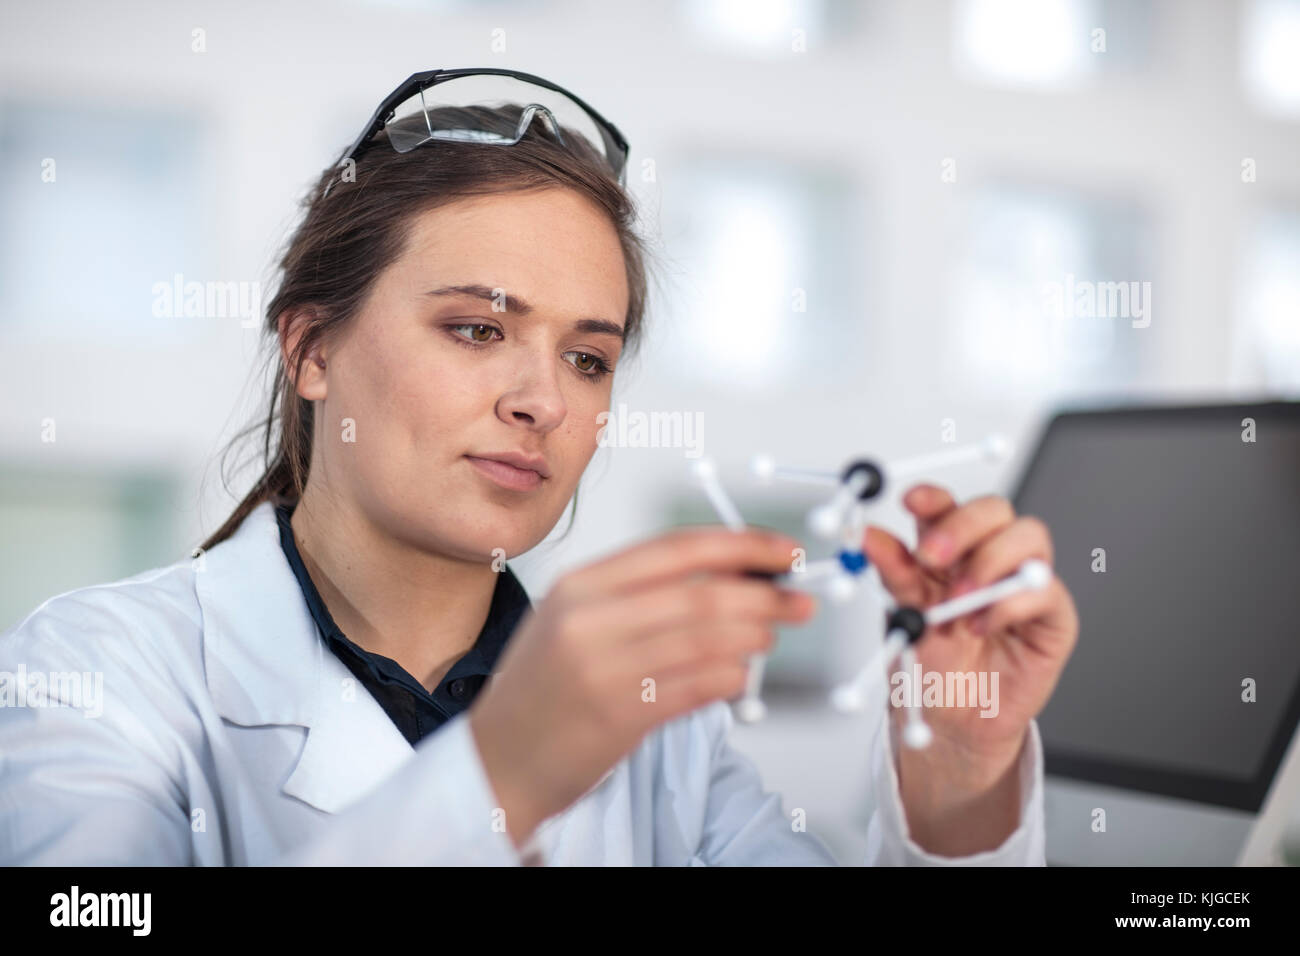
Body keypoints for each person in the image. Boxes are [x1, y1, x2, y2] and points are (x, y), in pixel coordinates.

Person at [0, 69, 1078, 865]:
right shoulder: (103, 675)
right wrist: (500, 772)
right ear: (312, 349)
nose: (544, 400)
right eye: (476, 328)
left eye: (587, 356)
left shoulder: (660, 726)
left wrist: (959, 781)